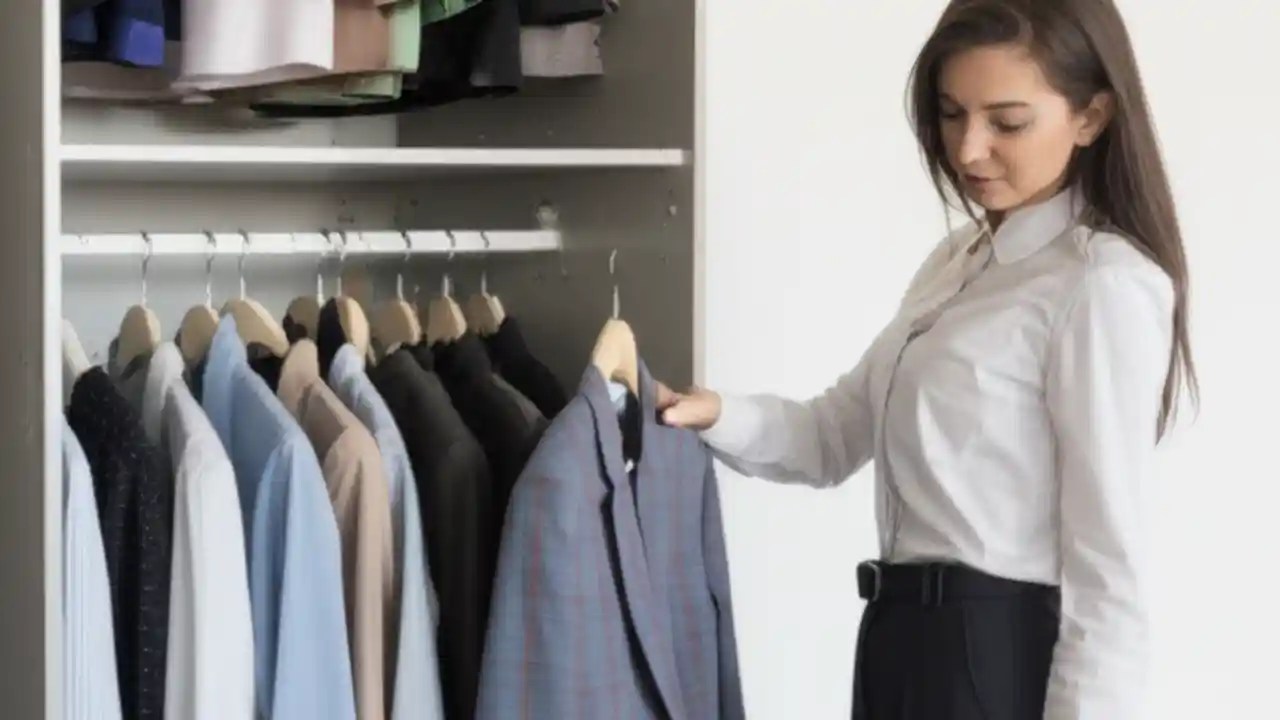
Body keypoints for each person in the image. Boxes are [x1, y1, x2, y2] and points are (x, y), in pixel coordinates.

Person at [658, 0, 1198, 718]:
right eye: (951, 114)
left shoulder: (1100, 284)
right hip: (899, 639)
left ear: (1091, 116)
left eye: (1007, 122)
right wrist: (710, 414)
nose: (969, 150)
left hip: (991, 654)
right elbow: (833, 435)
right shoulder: (958, 260)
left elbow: (1110, 569)